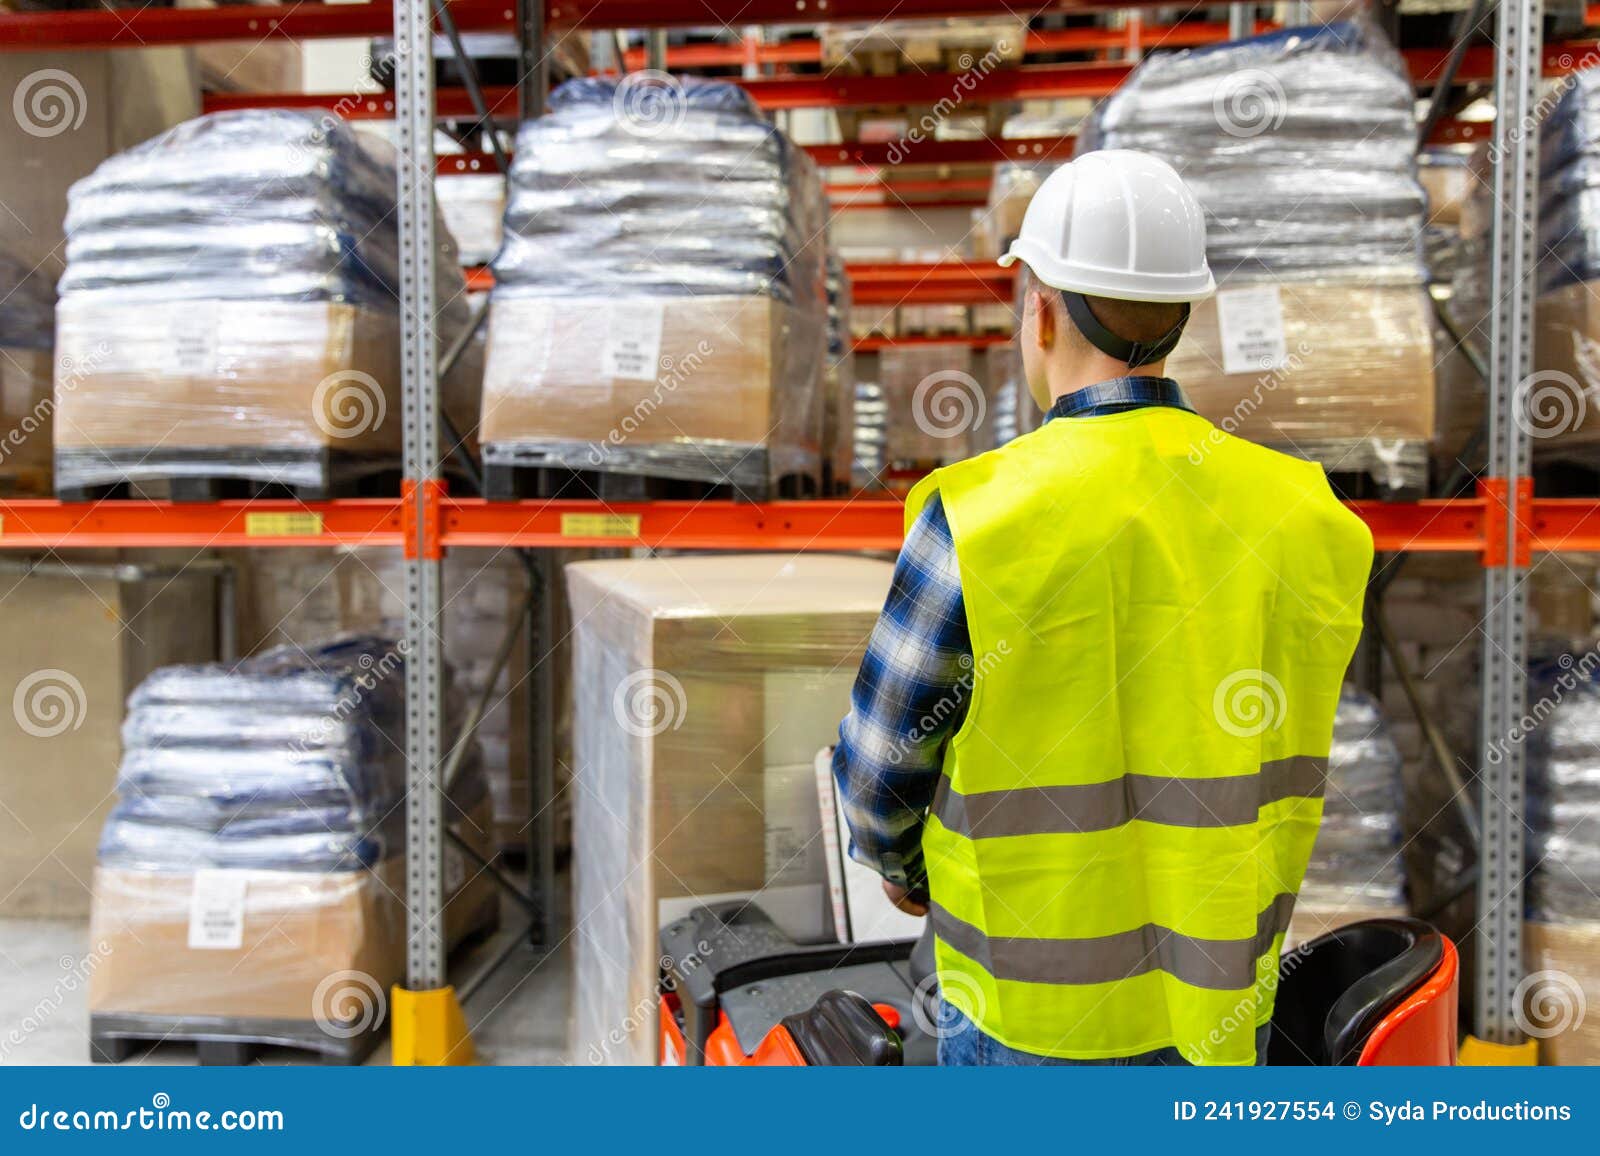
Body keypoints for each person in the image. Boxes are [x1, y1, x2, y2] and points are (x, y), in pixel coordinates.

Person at [831, 150, 1374, 1067]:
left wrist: (900, 869)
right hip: (1219, 1000)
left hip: (1027, 1019)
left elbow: (883, 767)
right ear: (1179, 317)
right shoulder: (1307, 514)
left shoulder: (979, 517)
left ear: (1039, 313)